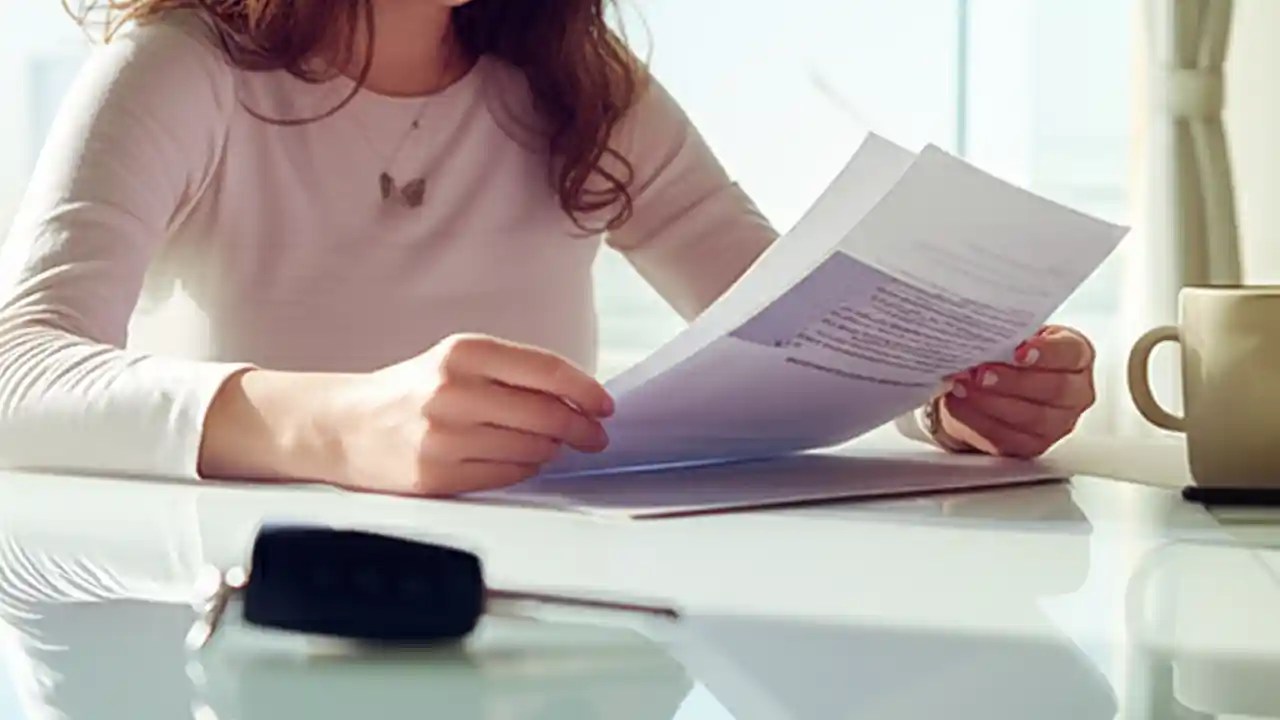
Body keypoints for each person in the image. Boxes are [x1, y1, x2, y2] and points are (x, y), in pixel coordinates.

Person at [0, 0, 1096, 497]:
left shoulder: (578, 79)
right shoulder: (182, 69)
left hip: (555, 607)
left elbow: (782, 325)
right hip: (270, 603)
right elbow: (19, 372)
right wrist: (335, 426)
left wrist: (946, 395)